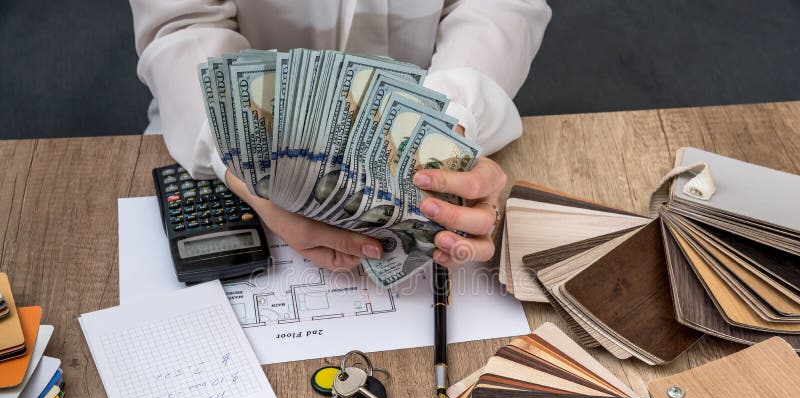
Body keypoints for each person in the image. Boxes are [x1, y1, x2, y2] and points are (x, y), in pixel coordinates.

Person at [130, 0, 551, 270]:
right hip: (208, 135)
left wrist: (446, 130)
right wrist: (253, 177)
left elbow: (499, 7)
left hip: (443, 93)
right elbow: (182, 26)